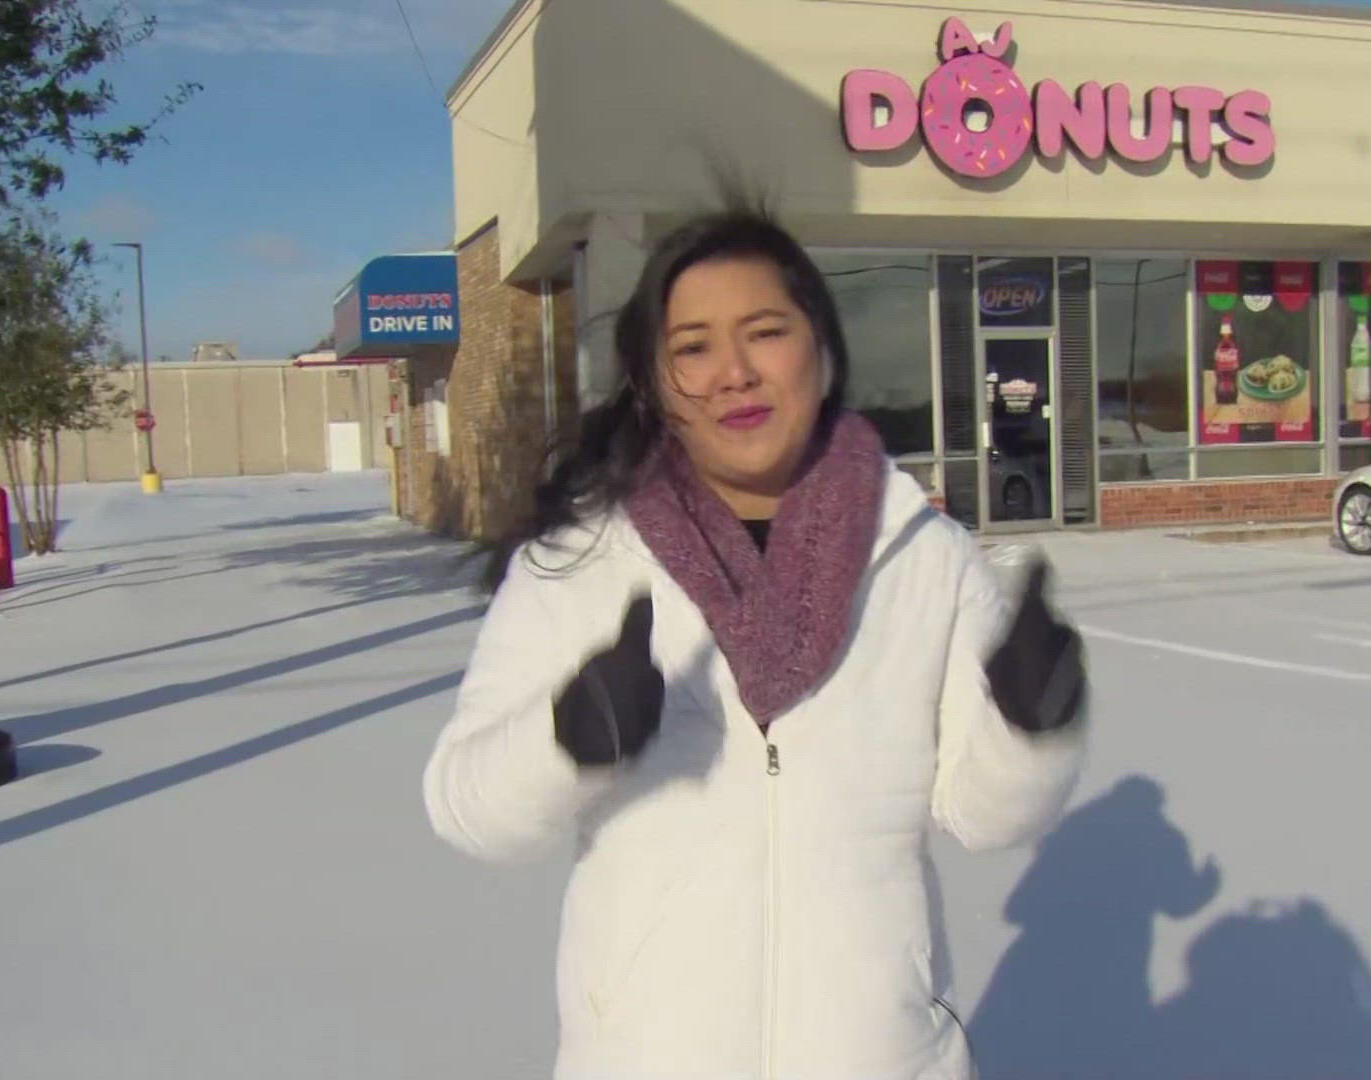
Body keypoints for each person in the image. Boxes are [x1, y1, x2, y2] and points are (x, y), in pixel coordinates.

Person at [423, 207, 1089, 1079]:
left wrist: (1030, 726)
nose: (734, 371)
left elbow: (988, 817)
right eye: (693, 346)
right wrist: (565, 739)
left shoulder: (923, 557)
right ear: (655, 381)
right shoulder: (583, 562)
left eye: (766, 332)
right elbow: (467, 811)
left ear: (822, 350)